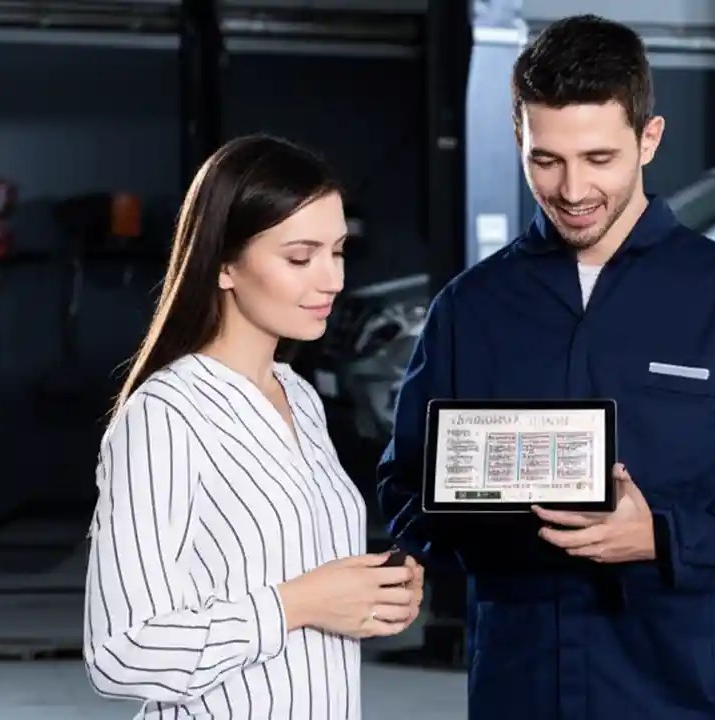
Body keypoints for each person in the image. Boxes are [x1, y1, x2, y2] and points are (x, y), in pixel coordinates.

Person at [376, 14, 715, 720]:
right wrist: (470, 521)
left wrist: (661, 537)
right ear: (520, 141)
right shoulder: (471, 308)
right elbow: (403, 484)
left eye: (598, 158)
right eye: (545, 160)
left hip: (676, 687)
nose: (571, 189)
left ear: (648, 139)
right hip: (521, 684)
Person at [83, 134, 424, 719]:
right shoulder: (165, 416)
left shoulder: (298, 394)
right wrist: (297, 605)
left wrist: (369, 598)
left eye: (338, 251)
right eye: (300, 257)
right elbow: (119, 651)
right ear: (223, 266)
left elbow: (294, 584)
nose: (332, 279)